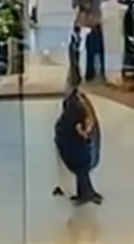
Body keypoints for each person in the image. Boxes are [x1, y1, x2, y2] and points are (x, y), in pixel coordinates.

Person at [54, 73, 103, 206]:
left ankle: (85, 193)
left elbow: (82, 123)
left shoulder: (75, 103)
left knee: (79, 167)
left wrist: (82, 131)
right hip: (80, 144)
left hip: (78, 146)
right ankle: (86, 191)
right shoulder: (78, 99)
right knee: (79, 169)